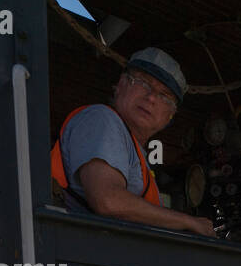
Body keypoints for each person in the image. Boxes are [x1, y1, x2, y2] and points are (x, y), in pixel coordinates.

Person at [51, 47, 216, 237]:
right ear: (121, 84)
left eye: (164, 96)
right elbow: (108, 200)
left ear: (170, 117)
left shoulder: (136, 153)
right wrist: (189, 222)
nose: (152, 97)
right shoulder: (103, 119)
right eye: (144, 83)